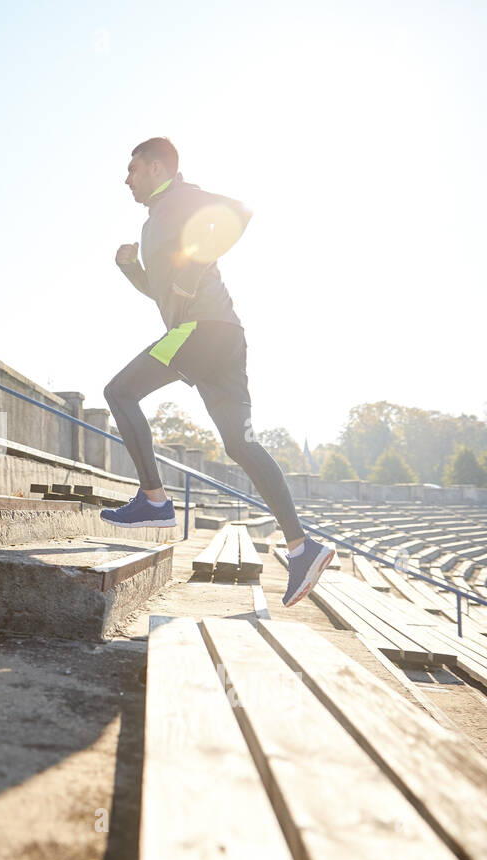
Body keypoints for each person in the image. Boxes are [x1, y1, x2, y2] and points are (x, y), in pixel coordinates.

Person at [99, 135, 333, 607]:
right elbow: (167, 296)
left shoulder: (183, 197)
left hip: (201, 331)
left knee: (119, 393)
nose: (127, 179)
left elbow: (241, 212)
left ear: (159, 168)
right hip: (221, 336)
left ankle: (155, 500)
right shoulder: (154, 223)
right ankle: (302, 547)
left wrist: (190, 272)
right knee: (239, 443)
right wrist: (132, 271)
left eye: (134, 169)